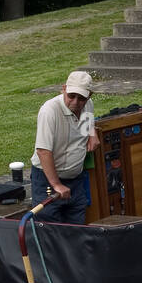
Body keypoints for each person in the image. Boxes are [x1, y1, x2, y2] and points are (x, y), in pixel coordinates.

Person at [31, 71, 100, 224]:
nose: (75, 102)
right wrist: (56, 185)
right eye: (71, 96)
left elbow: (84, 127)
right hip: (47, 181)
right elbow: (43, 151)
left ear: (89, 96)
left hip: (75, 180)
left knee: (76, 230)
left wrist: (92, 132)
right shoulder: (49, 111)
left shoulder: (87, 105)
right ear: (63, 89)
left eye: (81, 98)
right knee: (50, 232)